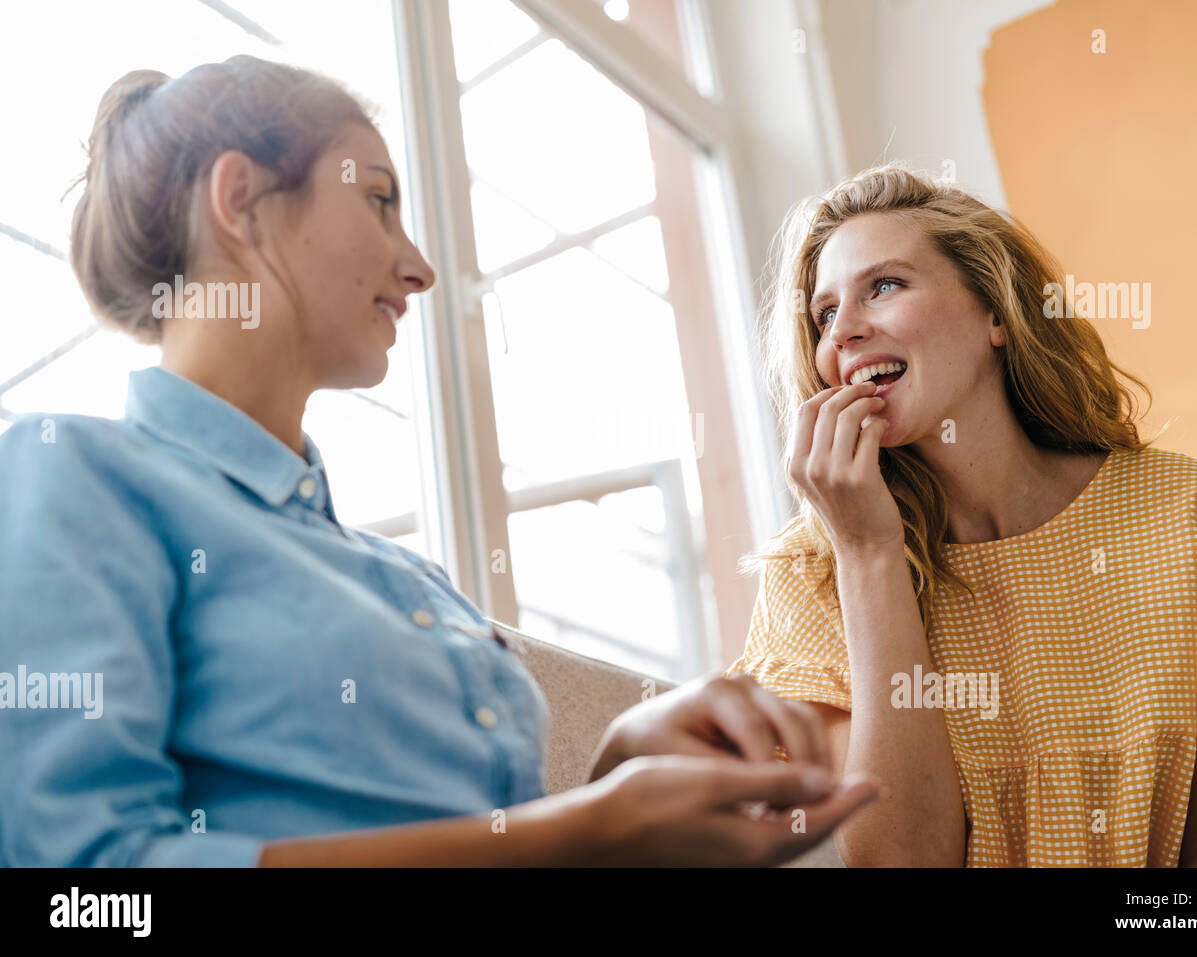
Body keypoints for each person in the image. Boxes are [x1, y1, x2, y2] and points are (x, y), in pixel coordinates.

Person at [0, 56, 879, 867]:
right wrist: (584, 828)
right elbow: (82, 892)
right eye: (379, 200)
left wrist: (619, 763)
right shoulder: (74, 477)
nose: (415, 266)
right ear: (242, 201)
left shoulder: (410, 581)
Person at [724, 164, 1197, 867]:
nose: (843, 330)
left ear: (995, 312)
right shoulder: (815, 569)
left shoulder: (1186, 513)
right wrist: (869, 551)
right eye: (823, 313)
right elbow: (907, 863)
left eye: (885, 285)